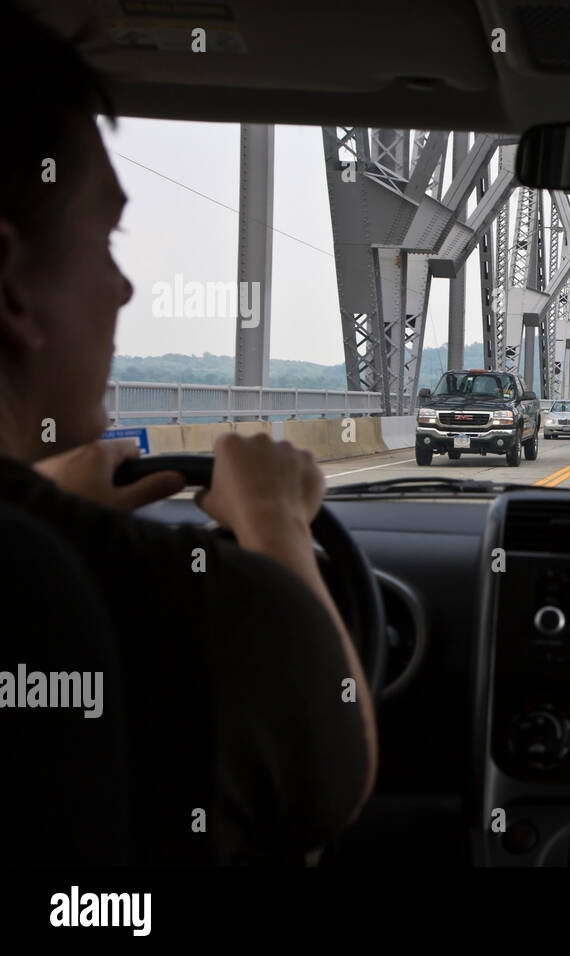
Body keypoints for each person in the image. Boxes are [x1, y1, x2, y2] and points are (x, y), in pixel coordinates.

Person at [0, 1, 377, 864]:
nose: (125, 290)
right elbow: (337, 780)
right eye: (109, 237)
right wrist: (276, 519)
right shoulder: (204, 607)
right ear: (12, 290)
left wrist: (48, 506)